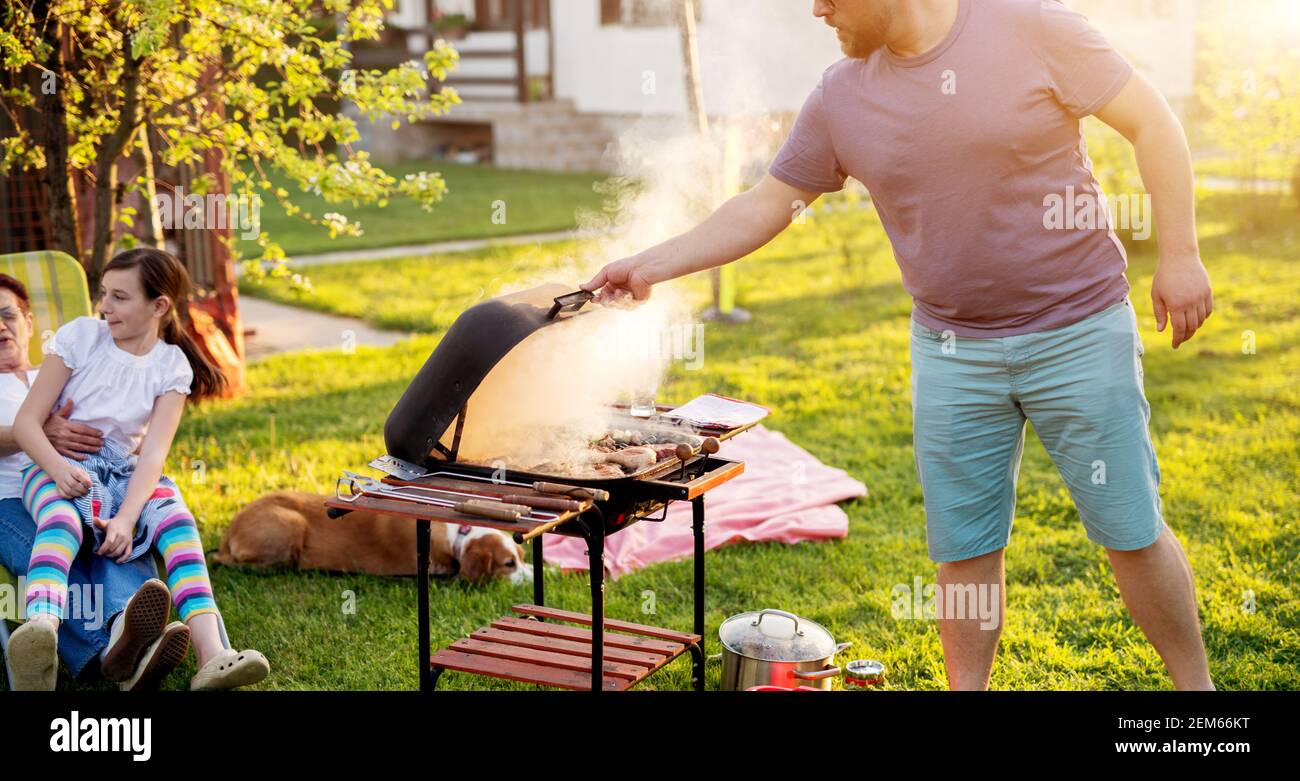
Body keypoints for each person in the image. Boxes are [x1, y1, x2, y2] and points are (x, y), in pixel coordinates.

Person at [582, 0, 1215, 690]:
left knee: (1130, 529)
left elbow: (1152, 121)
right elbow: (766, 206)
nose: (818, 10)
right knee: (966, 548)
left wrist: (1180, 254)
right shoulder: (841, 96)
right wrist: (649, 265)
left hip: (1077, 329)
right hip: (952, 352)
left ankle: (1198, 695)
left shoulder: (1031, 26)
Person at [8, 248, 269, 690]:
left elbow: (152, 455)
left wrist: (128, 518)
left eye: (119, 297)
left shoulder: (172, 366)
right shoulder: (81, 337)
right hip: (59, 465)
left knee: (178, 524)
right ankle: (42, 627)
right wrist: (56, 469)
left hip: (125, 473)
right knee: (61, 519)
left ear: (159, 306)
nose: (104, 306)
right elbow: (26, 423)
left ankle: (213, 654)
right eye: (104, 294)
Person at [0, 273, 184, 691]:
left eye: (7, 315)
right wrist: (38, 430)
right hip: (10, 498)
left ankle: (125, 629)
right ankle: (115, 654)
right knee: (49, 555)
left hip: (85, 481)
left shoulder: (65, 367)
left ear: (28, 321)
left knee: (117, 534)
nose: (0, 327)